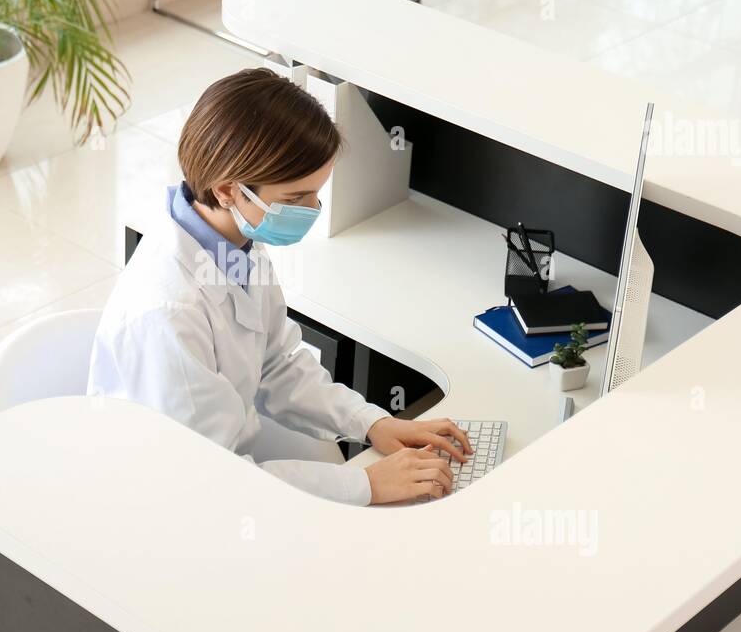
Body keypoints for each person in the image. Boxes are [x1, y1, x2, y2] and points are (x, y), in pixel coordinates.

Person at [87, 68, 472, 504]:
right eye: (295, 199)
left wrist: (372, 424)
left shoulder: (234, 241)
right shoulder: (169, 312)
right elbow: (212, 482)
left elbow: (277, 364)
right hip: (172, 504)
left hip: (222, 475)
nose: (312, 211)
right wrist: (365, 484)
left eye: (315, 193)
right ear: (229, 189)